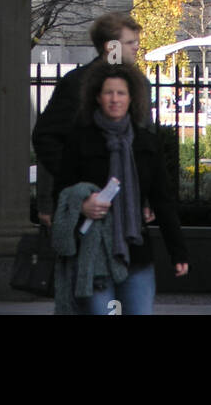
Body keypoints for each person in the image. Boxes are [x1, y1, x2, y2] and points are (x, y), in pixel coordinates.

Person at [52, 63, 188, 315]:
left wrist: (178, 252)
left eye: (121, 93)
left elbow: (163, 200)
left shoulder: (146, 143)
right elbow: (60, 192)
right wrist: (83, 206)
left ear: (131, 98)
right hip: (94, 254)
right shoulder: (80, 139)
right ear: (97, 97)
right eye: (108, 93)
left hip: (136, 252)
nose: (115, 99)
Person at [33, 12, 152, 226]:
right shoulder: (77, 83)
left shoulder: (140, 84)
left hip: (127, 199)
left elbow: (147, 144)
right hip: (85, 197)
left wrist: (147, 197)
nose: (136, 47)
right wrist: (69, 186)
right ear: (111, 47)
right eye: (130, 42)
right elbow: (47, 138)